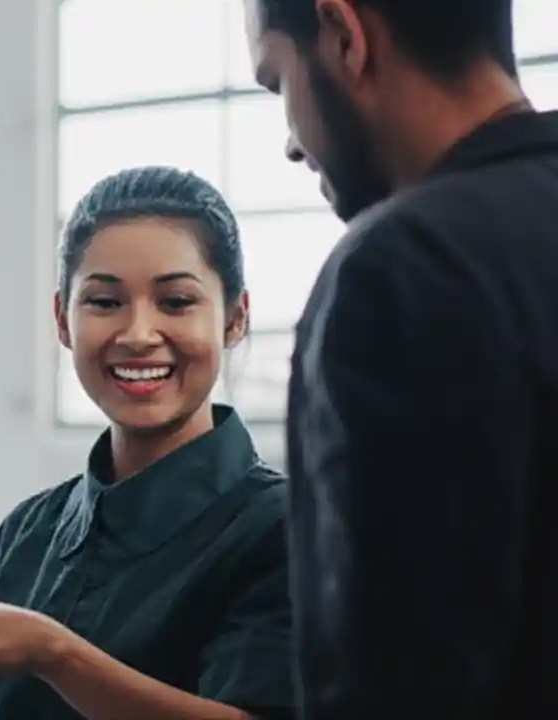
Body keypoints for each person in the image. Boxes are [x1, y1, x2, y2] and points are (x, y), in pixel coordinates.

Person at [0, 167, 296, 720]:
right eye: (105, 303)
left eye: (176, 301)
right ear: (62, 319)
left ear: (235, 318)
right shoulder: (28, 532)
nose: (138, 333)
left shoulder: (283, 530)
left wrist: (50, 652)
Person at [242, 0, 558, 717]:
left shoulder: (405, 270)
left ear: (344, 36)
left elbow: (394, 686)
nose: (292, 142)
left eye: (276, 81)